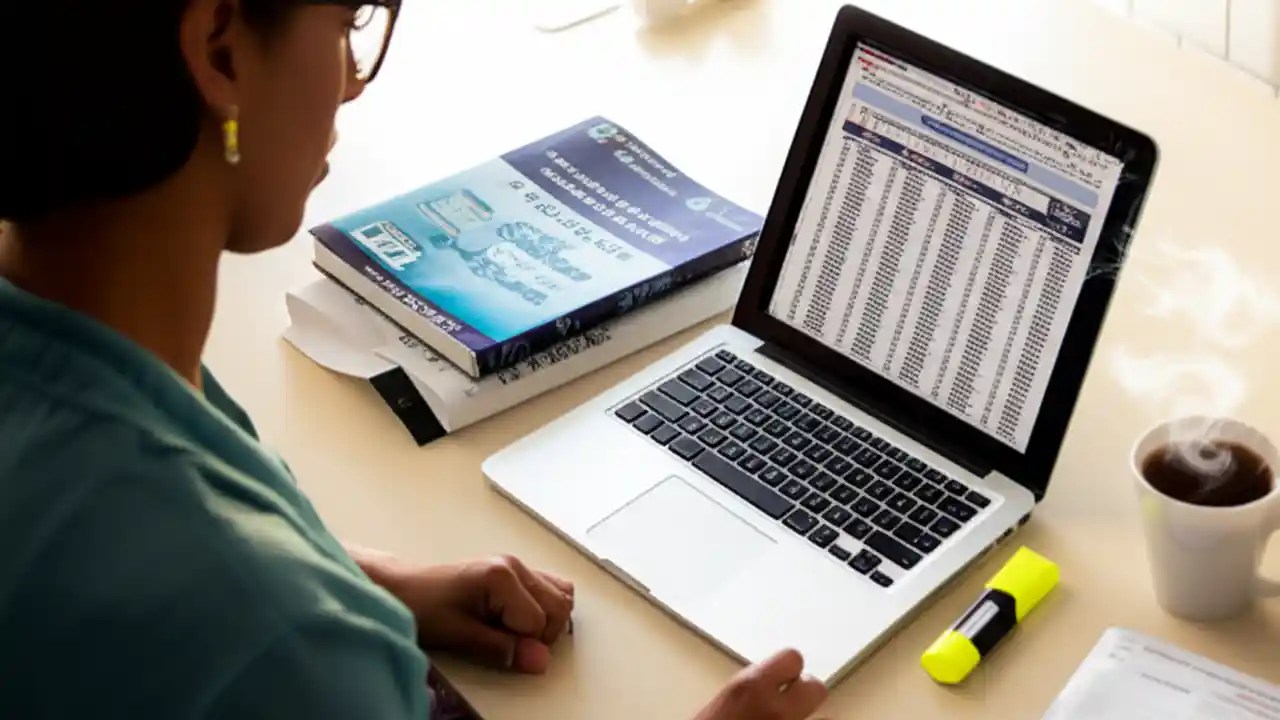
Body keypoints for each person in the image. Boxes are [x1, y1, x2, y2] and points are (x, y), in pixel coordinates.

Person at [0, 2, 831, 718]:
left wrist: (361, 582)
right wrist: (318, 620)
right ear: (219, 47)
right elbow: (222, 608)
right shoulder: (282, 643)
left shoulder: (77, 344)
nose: (354, 81)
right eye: (346, 22)